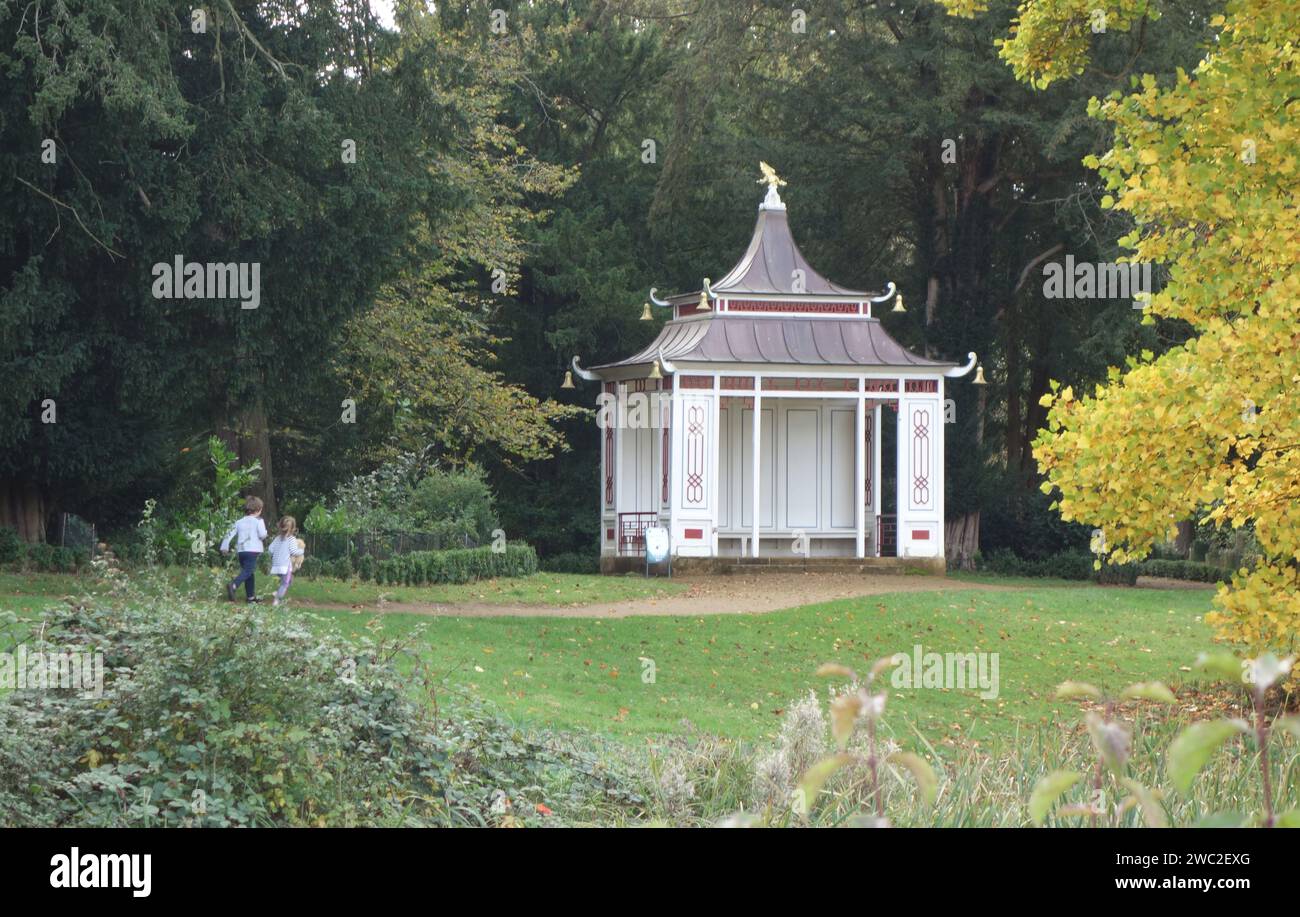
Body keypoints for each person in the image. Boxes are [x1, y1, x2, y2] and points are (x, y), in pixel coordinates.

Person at [220, 496, 267, 603]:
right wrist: (266, 533)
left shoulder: (239, 522)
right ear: (258, 510)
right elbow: (262, 535)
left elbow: (229, 534)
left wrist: (224, 546)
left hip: (241, 551)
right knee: (248, 571)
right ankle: (233, 585)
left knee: (249, 573)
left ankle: (250, 597)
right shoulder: (259, 521)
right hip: (253, 550)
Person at [267, 516, 305, 607]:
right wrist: (302, 551)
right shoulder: (291, 539)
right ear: (293, 529)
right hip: (285, 566)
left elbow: (270, 550)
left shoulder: (277, 538)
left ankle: (278, 592)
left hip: (276, 566)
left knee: (289, 580)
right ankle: (277, 600)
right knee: (285, 584)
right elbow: (294, 551)